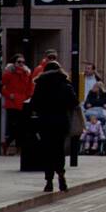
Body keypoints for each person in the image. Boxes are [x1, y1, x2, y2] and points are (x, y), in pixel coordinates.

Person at [31, 59, 76, 192]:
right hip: (61, 122)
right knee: (59, 150)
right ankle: (61, 176)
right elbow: (74, 102)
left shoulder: (40, 84)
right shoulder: (65, 83)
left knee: (47, 151)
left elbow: (34, 104)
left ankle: (49, 181)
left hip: (45, 122)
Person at [1, 54, 34, 155]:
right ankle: (12, 146)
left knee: (21, 127)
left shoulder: (27, 73)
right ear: (14, 63)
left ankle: (12, 145)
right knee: (15, 127)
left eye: (23, 62)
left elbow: (30, 86)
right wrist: (9, 95)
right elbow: (1, 86)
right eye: (19, 62)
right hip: (12, 103)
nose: (21, 64)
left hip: (23, 102)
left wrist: (29, 96)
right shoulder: (8, 73)